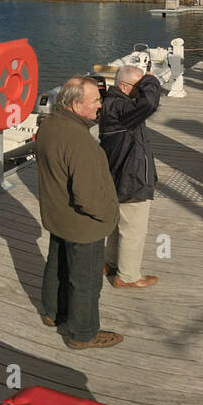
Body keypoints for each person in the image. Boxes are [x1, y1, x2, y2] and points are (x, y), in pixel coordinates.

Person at [33, 77, 122, 350]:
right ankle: (82, 334)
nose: (100, 105)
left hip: (57, 216)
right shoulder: (80, 141)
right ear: (74, 105)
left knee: (57, 265)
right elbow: (88, 197)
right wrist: (110, 215)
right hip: (84, 226)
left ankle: (52, 313)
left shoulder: (49, 125)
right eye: (95, 100)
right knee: (85, 281)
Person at [95, 65, 164, 289]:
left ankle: (111, 263)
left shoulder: (112, 104)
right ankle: (128, 275)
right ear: (124, 87)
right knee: (134, 228)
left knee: (118, 225)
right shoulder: (123, 108)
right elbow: (150, 103)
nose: (141, 91)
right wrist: (151, 81)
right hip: (130, 177)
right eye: (138, 86)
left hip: (117, 173)